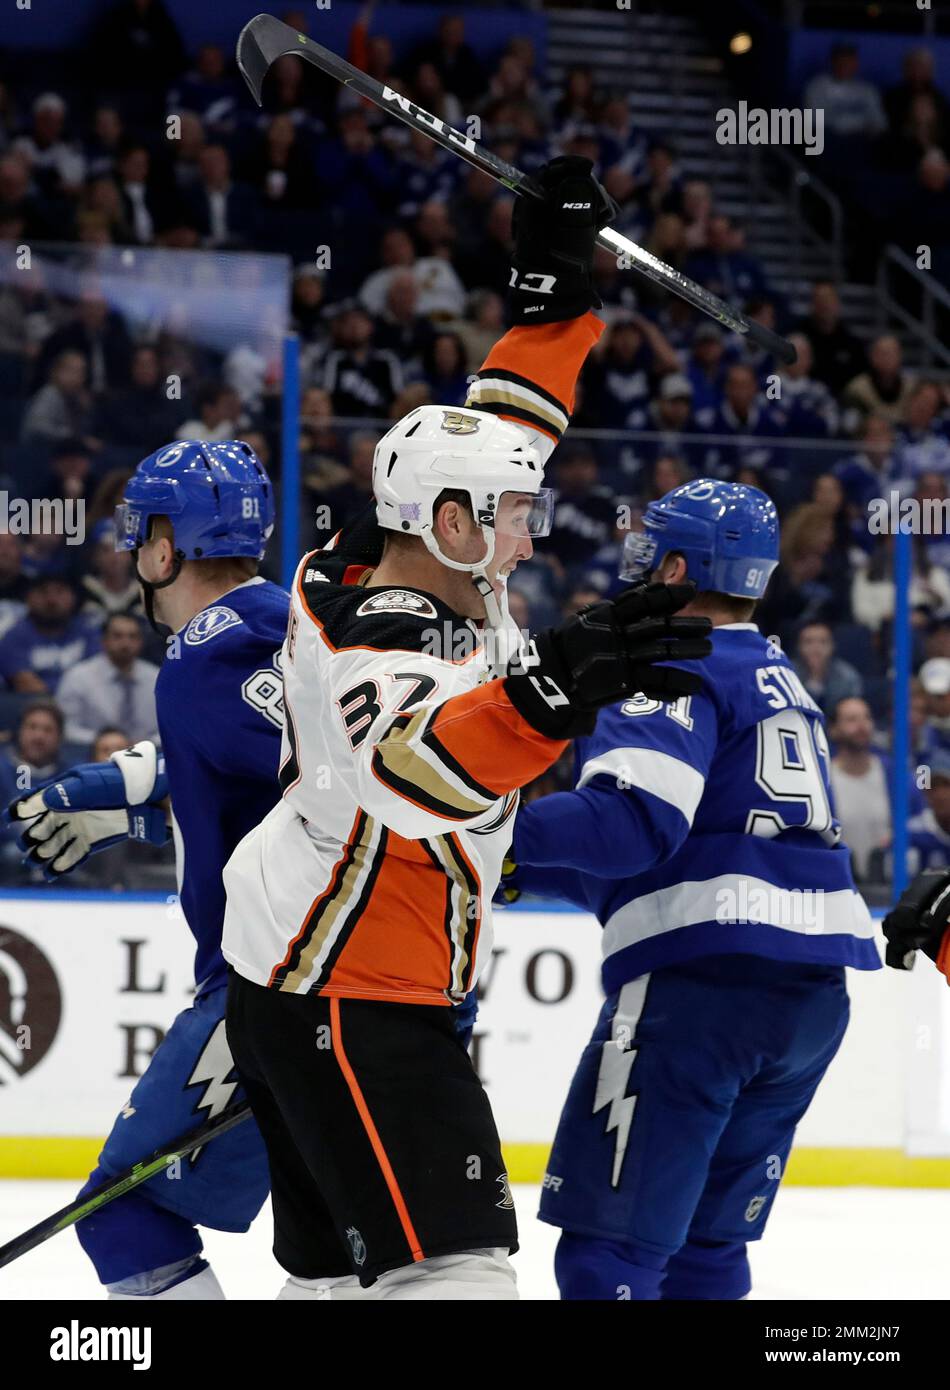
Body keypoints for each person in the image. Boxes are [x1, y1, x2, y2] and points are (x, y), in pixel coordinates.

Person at [221, 157, 712, 1302]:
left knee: (343, 1277)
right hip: (347, 989)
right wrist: (549, 693)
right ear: (447, 521)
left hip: (321, 979)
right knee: (458, 1272)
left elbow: (500, 428)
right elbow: (411, 771)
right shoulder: (376, 630)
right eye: (511, 518)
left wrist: (550, 288)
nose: (529, 539)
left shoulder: (432, 557)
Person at [501, 478, 879, 1301]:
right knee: (706, 1253)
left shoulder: (670, 655)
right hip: (810, 1001)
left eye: (650, 550)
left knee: (609, 1256)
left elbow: (631, 824)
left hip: (701, 993)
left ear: (677, 566)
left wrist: (489, 831)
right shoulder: (778, 672)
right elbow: (679, 845)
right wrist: (516, 868)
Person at [8, 439, 287, 1300]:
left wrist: (132, 784)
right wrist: (134, 803)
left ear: (166, 549)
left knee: (122, 1210)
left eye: (139, 535)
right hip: (359, 980)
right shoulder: (280, 621)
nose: (132, 555)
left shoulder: (211, 646)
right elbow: (279, 798)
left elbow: (321, 768)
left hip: (272, 982)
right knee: (341, 1246)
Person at [55, 612, 159, 748]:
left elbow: (170, 728)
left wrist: (146, 744)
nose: (125, 643)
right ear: (103, 640)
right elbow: (66, 728)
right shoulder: (78, 677)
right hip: (93, 755)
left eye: (133, 636)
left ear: (141, 641)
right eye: (117, 636)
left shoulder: (157, 678)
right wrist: (107, 742)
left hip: (147, 754)